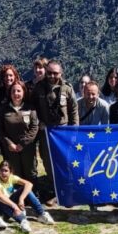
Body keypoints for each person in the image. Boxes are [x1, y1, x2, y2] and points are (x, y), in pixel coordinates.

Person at [31, 60, 78, 203]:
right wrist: (39, 123)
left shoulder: (67, 89)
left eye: (55, 73)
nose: (52, 76)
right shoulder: (38, 88)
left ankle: (67, 191)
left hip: (63, 132)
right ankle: (55, 190)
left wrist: (74, 132)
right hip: (46, 132)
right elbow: (33, 109)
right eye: (49, 72)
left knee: (65, 161)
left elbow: (74, 110)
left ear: (61, 73)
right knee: (48, 161)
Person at [0, 160, 54, 233]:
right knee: (2, 201)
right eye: (1, 170)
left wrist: (21, 199)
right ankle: (23, 221)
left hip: (11, 206)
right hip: (2, 208)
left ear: (10, 172)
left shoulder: (11, 177)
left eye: (6, 171)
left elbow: (29, 184)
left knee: (26, 190)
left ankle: (41, 214)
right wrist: (14, 206)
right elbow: (0, 197)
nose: (3, 173)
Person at [0, 83, 40, 182]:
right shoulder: (3, 109)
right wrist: (9, 143)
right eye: (13, 91)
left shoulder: (30, 108)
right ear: (10, 94)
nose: (16, 93)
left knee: (30, 173)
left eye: (19, 91)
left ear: (23, 92)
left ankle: (33, 195)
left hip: (28, 148)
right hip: (10, 149)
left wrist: (22, 144)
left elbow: (34, 127)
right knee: (14, 174)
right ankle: (16, 196)